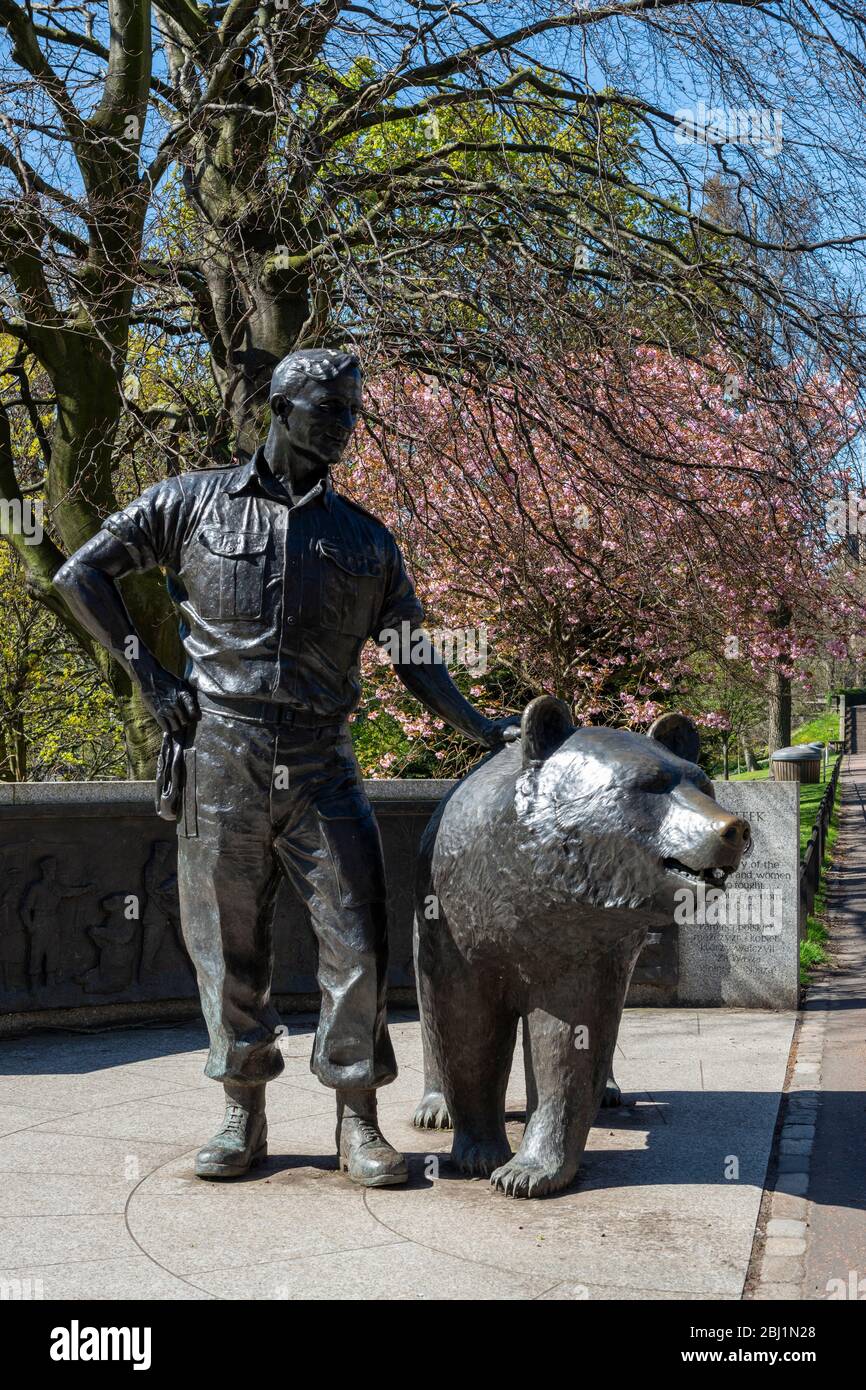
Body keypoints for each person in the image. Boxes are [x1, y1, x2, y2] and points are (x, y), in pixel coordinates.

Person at [55, 348, 517, 1185]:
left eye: (351, 412)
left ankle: (357, 1118)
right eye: (327, 410)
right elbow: (79, 571)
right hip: (219, 752)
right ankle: (242, 1111)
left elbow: (413, 651)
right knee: (227, 946)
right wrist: (152, 678)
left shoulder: (364, 538)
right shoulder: (189, 502)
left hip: (322, 758)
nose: (344, 426)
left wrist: (481, 725)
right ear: (280, 407)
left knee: (358, 938)